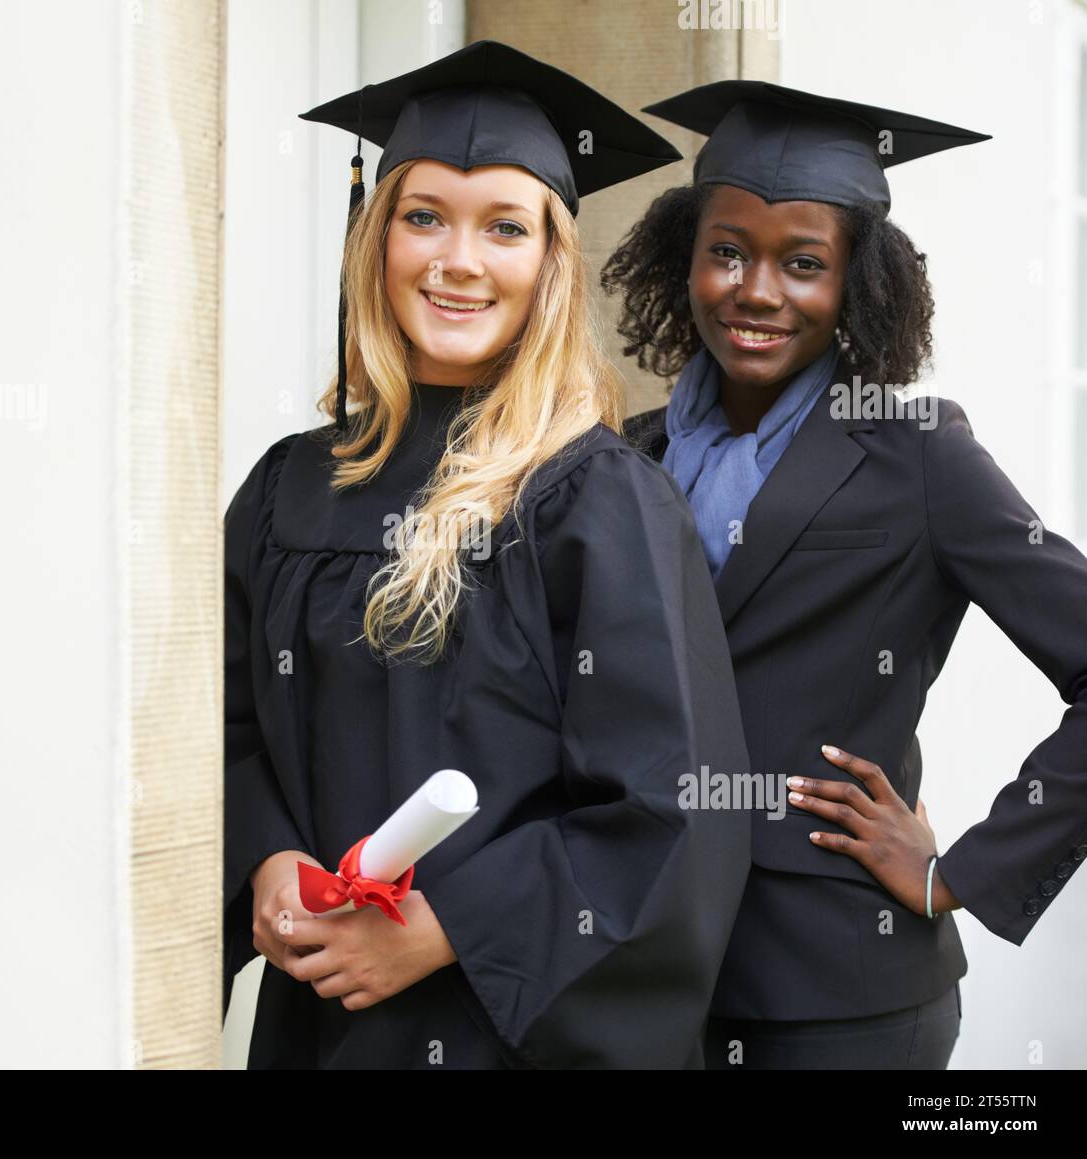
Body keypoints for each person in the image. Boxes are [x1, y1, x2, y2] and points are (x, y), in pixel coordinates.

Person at [223, 41, 751, 1069]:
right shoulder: (287, 490)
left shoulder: (595, 500)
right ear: (375, 240)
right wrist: (266, 858)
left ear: (549, 263)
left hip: (508, 1029)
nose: (457, 260)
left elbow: (668, 805)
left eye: (504, 227)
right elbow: (227, 726)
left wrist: (449, 924)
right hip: (323, 1025)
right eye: (423, 216)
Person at [607, 80, 1087, 1068]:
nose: (757, 290)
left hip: (834, 993)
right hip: (641, 977)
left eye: (804, 263)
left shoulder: (917, 455)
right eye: (727, 250)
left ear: (858, 283)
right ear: (681, 257)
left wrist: (958, 873)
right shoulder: (625, 458)